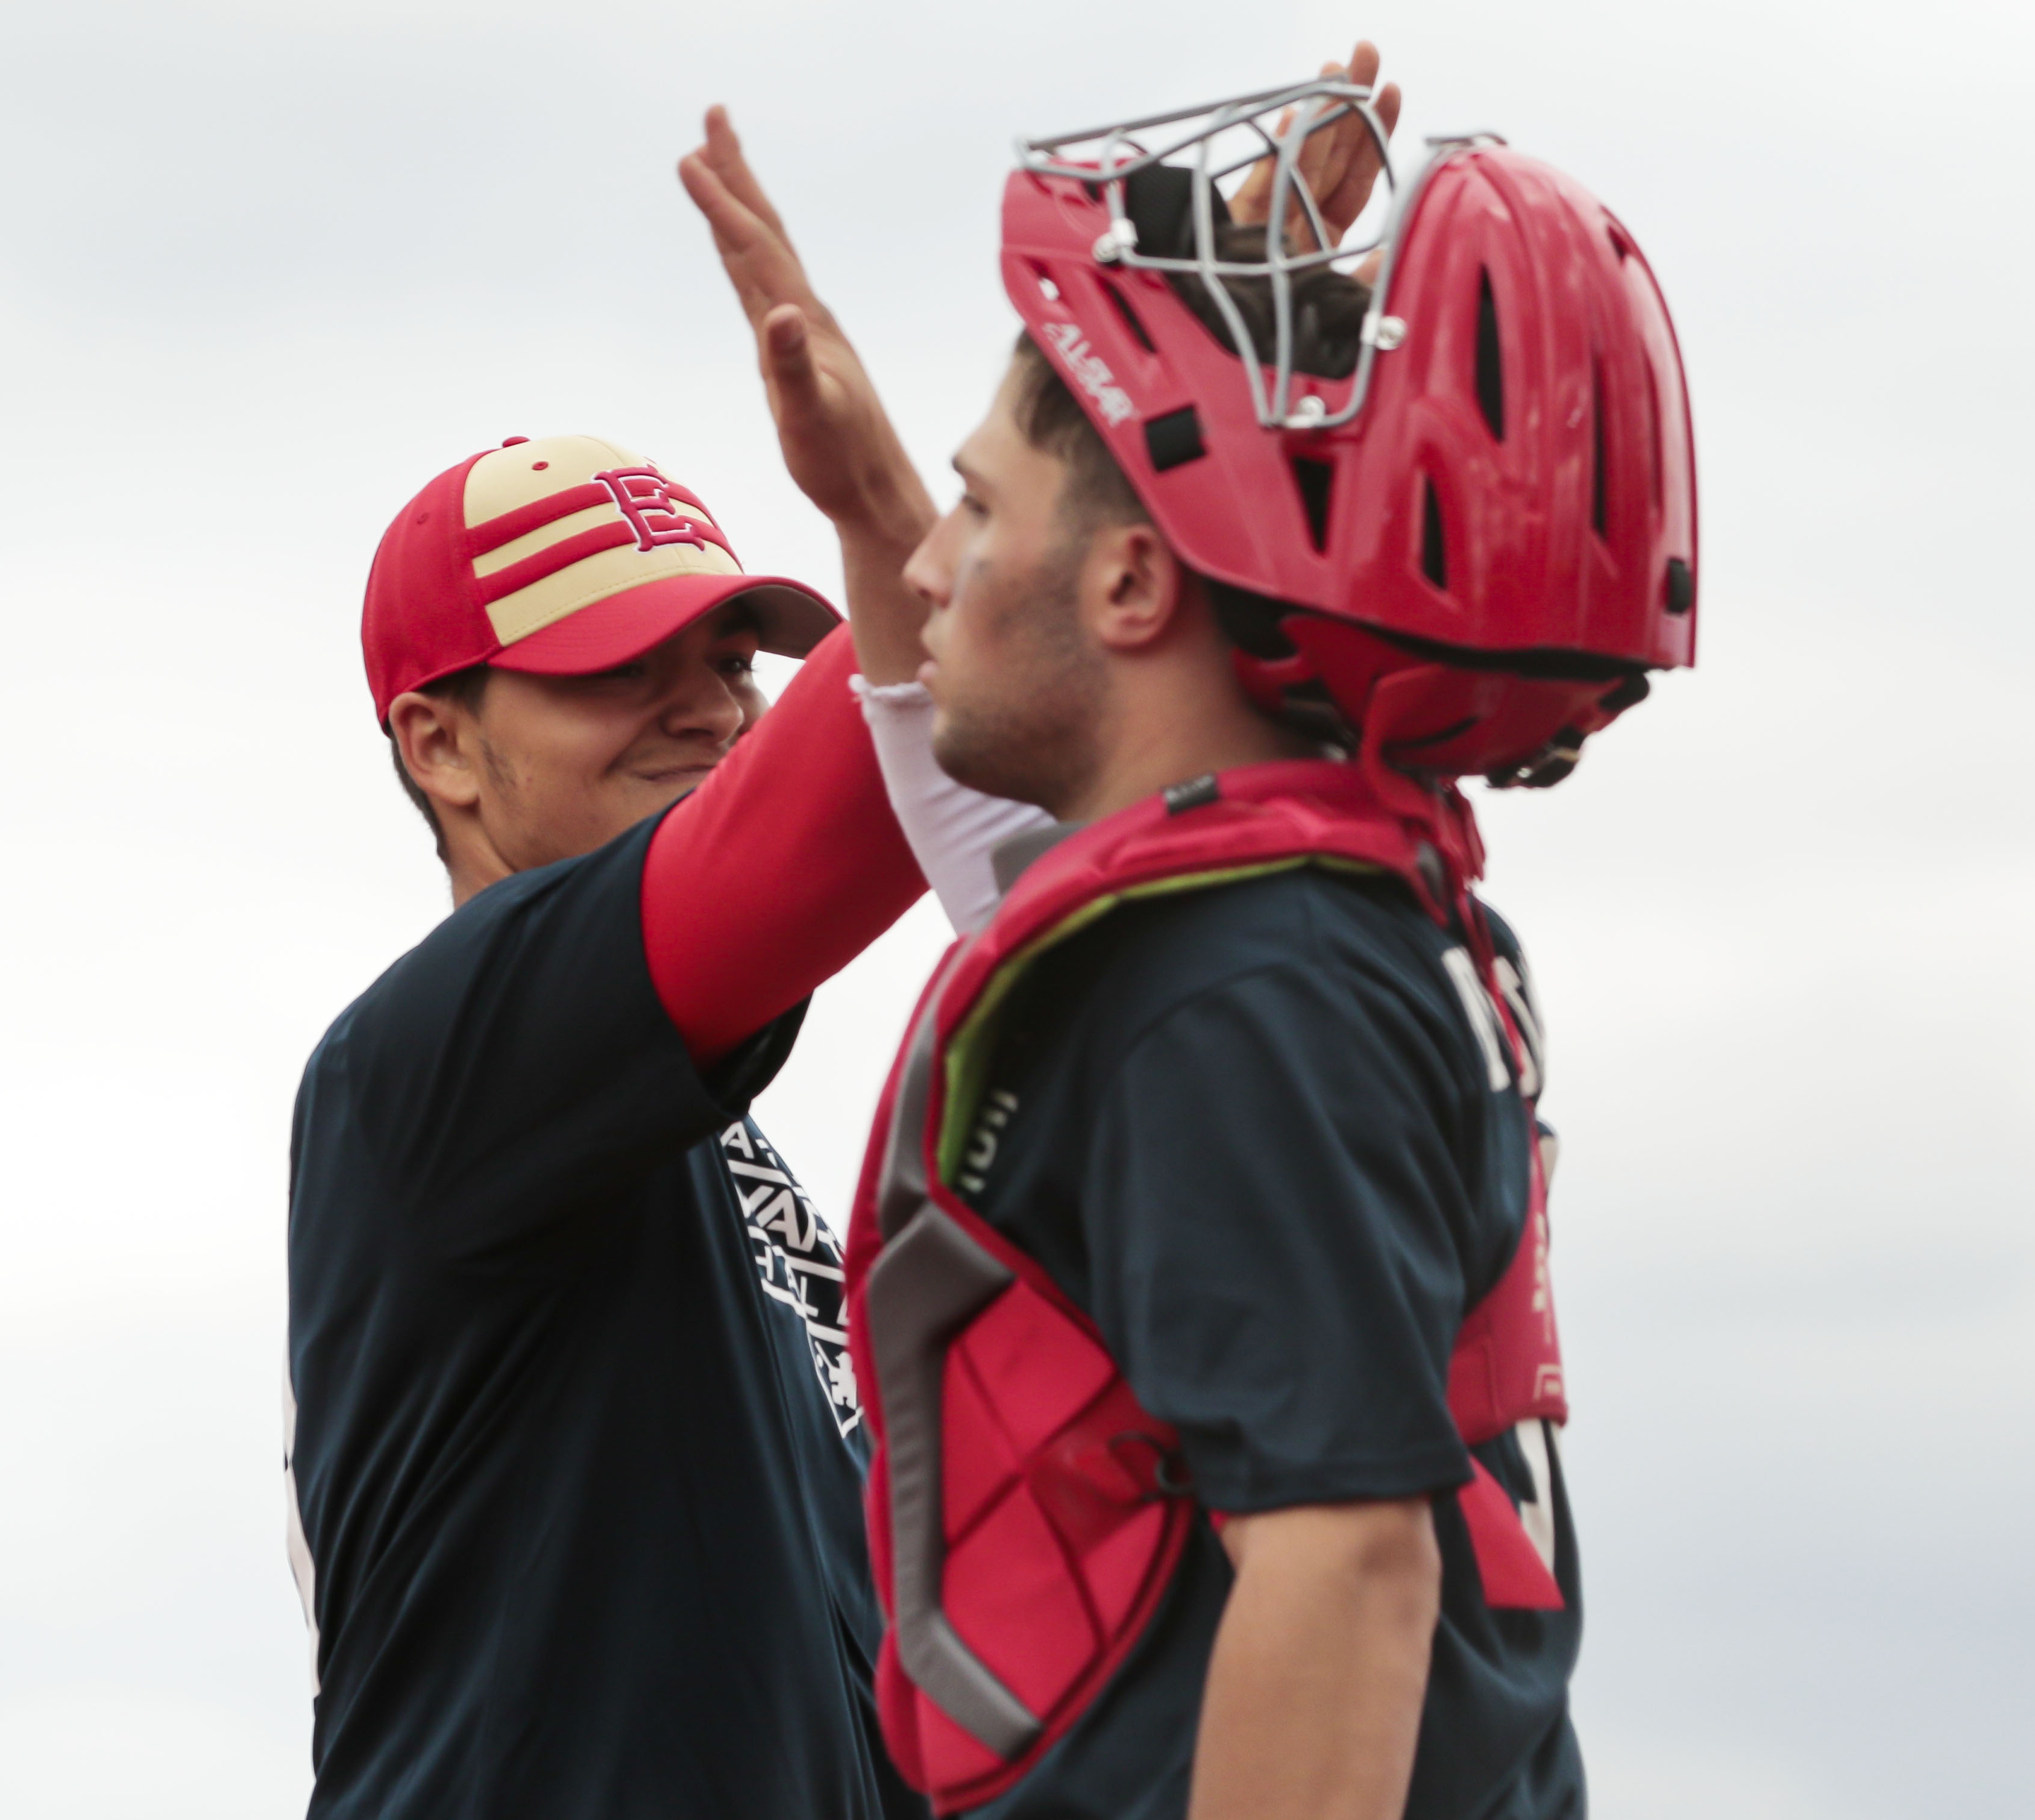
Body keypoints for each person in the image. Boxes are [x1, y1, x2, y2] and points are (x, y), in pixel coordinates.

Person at [831, 68, 1699, 1820]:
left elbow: (1346, 1564)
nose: (932, 564)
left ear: (1137, 588)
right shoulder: (1322, 922)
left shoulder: (1232, 981)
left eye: (982, 509)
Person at [281, 111, 998, 1816]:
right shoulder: (426, 1072)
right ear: (442, 748)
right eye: (622, 664)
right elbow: (836, 811)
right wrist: (1078, 405)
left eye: (732, 654)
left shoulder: (716, 1153)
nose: (709, 703)